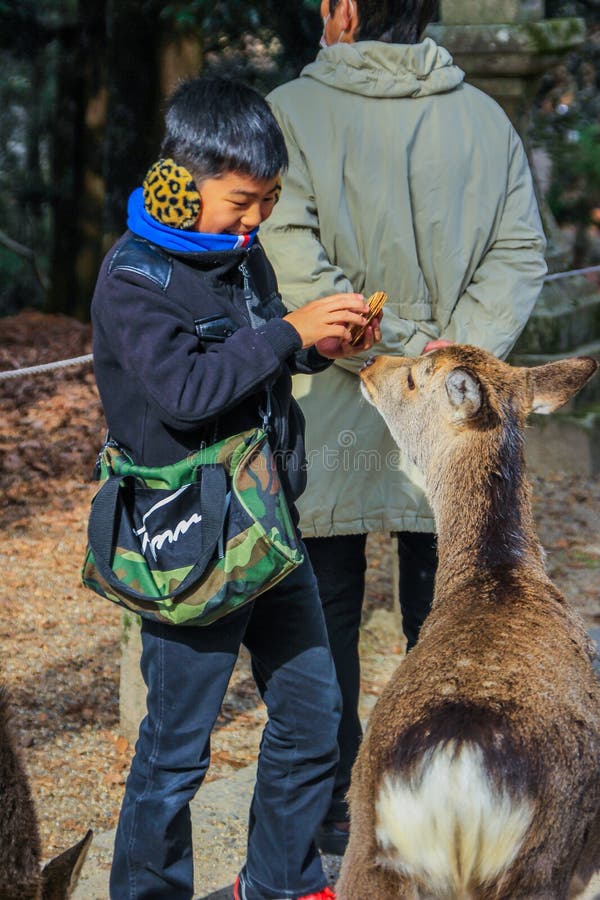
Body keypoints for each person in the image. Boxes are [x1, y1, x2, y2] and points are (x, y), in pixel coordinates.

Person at [260, 0, 547, 855]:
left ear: (343, 10)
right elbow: (519, 251)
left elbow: (284, 247)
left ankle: (334, 809)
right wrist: (447, 363)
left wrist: (367, 345)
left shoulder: (291, 114)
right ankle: (448, 801)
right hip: (452, 421)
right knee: (454, 604)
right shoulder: (483, 119)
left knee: (324, 611)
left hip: (330, 395)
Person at [90, 76, 381, 900]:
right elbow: (186, 392)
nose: (257, 218)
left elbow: (265, 351)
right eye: (243, 200)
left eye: (271, 199)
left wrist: (319, 341)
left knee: (314, 717)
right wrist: (289, 330)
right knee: (177, 752)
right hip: (190, 542)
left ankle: (280, 883)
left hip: (269, 525)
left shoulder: (241, 256)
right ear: (182, 179)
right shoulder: (134, 279)